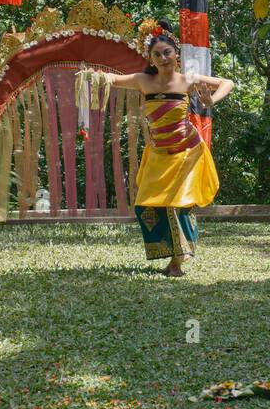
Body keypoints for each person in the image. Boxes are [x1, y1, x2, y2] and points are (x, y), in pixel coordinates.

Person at [94, 22, 231, 276]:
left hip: (187, 153)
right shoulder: (142, 81)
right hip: (158, 154)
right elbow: (110, 78)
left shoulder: (187, 81)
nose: (163, 58)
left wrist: (212, 100)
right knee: (146, 205)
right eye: (157, 54)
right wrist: (92, 75)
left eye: (167, 52)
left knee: (177, 205)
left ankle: (177, 262)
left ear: (176, 55)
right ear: (151, 59)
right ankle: (173, 255)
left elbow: (227, 82)